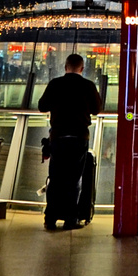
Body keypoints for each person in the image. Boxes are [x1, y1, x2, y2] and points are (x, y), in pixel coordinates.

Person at [37, 53, 101, 230]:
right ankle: (70, 219)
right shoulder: (88, 86)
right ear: (82, 68)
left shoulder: (55, 84)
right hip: (79, 137)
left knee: (55, 178)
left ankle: (50, 218)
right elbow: (97, 109)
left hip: (58, 137)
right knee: (74, 179)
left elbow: (42, 106)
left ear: (65, 67)